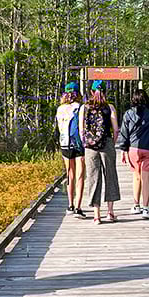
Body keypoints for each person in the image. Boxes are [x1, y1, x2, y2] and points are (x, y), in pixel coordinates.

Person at [116, 89, 149, 220]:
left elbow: (124, 134)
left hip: (133, 150)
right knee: (146, 179)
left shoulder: (128, 114)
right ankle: (146, 208)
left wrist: (123, 150)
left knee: (136, 177)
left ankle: (136, 205)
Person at [79, 80, 121, 223]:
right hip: (107, 143)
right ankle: (110, 212)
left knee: (93, 178)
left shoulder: (84, 108)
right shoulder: (110, 107)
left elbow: (81, 130)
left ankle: (96, 215)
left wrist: (87, 143)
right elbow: (116, 129)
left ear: (91, 92)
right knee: (110, 176)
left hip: (90, 147)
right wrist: (112, 143)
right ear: (105, 91)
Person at [55, 82, 86, 218]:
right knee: (80, 175)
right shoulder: (80, 107)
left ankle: (70, 205)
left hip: (65, 144)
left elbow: (58, 128)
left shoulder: (60, 109)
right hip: (79, 144)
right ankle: (78, 207)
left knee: (70, 174)